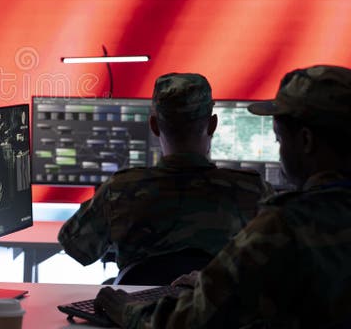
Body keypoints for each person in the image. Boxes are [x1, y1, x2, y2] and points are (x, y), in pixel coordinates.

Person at [97, 65, 351, 328]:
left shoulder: (285, 226)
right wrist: (219, 284)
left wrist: (127, 310)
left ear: (306, 141)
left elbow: (189, 323)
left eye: (279, 140)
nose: (280, 154)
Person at [58, 73, 272, 281]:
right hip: (217, 305)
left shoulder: (119, 190)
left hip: (138, 304)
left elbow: (74, 246)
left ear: (153, 126)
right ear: (212, 125)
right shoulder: (253, 191)